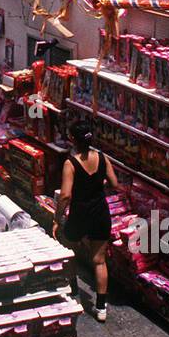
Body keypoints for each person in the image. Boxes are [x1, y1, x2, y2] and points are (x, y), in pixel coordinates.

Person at [54, 122, 117, 322]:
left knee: (69, 251)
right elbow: (114, 183)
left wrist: (57, 218)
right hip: (100, 212)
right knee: (99, 260)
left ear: (73, 139)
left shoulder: (70, 163)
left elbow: (65, 195)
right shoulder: (102, 158)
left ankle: (73, 291)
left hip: (79, 213)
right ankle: (101, 307)